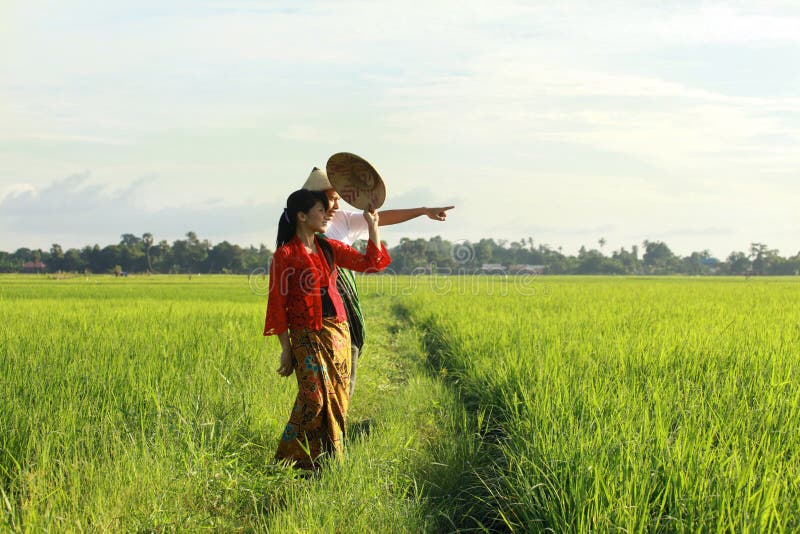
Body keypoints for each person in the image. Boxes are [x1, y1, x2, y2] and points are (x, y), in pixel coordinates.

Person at [264, 188, 391, 470]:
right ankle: (291, 458)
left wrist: (373, 227)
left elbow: (371, 263)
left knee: (337, 400)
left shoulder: (328, 247)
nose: (327, 215)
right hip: (305, 336)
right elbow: (277, 305)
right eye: (321, 211)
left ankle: (326, 463)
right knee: (314, 400)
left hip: (338, 334)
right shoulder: (284, 255)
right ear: (301, 216)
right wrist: (285, 349)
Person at [303, 167, 454, 397]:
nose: (335, 205)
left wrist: (423, 211)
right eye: (331, 199)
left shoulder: (341, 220)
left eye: (337, 199)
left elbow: (382, 219)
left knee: (347, 360)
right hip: (313, 311)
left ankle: (336, 424)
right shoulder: (301, 230)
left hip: (342, 308)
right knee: (316, 379)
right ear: (313, 201)